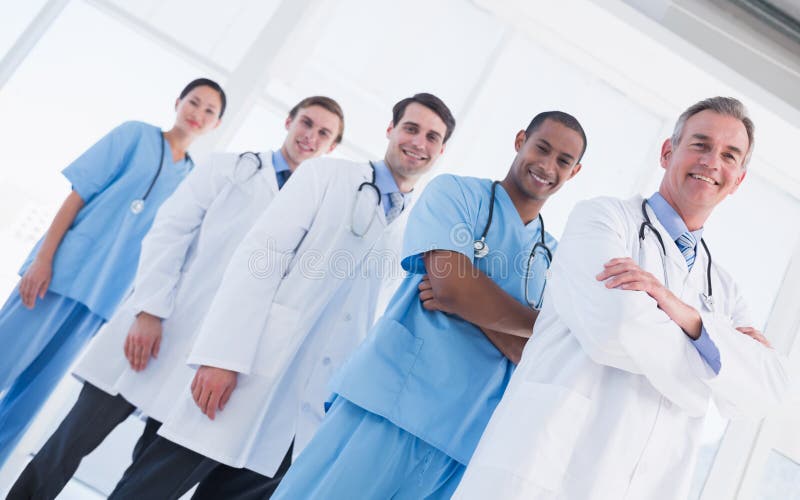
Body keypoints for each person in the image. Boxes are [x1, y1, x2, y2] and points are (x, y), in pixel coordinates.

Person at [105, 93, 456, 500]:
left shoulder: (417, 229)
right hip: (245, 374)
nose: (419, 142)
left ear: (442, 150)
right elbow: (258, 262)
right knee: (147, 490)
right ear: (391, 130)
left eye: (432, 137)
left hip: (306, 414)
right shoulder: (326, 177)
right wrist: (223, 358)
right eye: (411, 129)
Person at [5, 96, 343, 500]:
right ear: (289, 121)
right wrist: (150, 311)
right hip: (154, 332)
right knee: (66, 448)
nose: (311, 136)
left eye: (324, 133)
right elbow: (169, 233)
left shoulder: (318, 212)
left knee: (144, 480)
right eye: (306, 123)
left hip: (205, 361)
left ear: (333, 147)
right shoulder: (227, 169)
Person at [453, 97, 793, 500]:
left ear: (738, 180)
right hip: (544, 471)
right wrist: (713, 368)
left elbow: (770, 391)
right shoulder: (602, 220)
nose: (712, 161)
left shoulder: (724, 289)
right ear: (668, 153)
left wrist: (687, 316)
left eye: (729, 155)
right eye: (700, 145)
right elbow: (616, 327)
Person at [272, 111, 587, 499]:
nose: (547, 165)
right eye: (542, 148)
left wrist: (472, 303)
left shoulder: (554, 257)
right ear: (520, 140)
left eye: (563, 161)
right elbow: (451, 284)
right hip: (389, 404)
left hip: (463, 437)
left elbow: (539, 350)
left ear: (574, 173)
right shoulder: (455, 194)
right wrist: (506, 314)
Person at [0, 78, 225, 467]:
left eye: (209, 110)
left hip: (102, 302)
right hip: (57, 276)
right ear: (177, 101)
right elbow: (78, 195)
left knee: (30, 398)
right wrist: (42, 259)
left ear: (216, 124)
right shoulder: (134, 135)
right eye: (194, 102)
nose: (198, 113)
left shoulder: (192, 180)